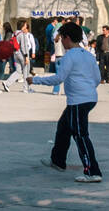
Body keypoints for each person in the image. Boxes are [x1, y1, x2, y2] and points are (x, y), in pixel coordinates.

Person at [31, 20, 102, 181]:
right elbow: (97, 78)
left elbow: (58, 78)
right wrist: (88, 88)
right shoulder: (88, 55)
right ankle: (57, 160)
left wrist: (35, 80)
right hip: (89, 98)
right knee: (63, 126)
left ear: (67, 38)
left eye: (61, 38)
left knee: (80, 134)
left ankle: (92, 171)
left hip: (78, 100)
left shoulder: (70, 56)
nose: (61, 41)